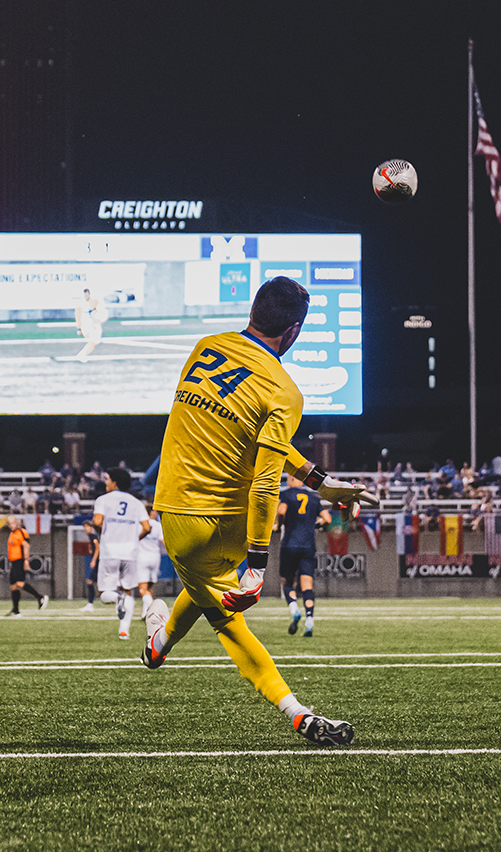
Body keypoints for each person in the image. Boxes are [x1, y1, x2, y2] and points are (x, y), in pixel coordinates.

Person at [142, 276, 377, 747]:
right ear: (293, 332)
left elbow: (252, 437)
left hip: (179, 517)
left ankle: (159, 647)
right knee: (221, 606)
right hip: (228, 525)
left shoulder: (206, 346)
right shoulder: (285, 391)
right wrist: (257, 561)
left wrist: (320, 482)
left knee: (213, 598)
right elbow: (267, 473)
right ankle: (295, 711)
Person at [91, 468, 152, 639]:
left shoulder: (102, 500)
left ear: (115, 482)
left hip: (110, 551)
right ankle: (124, 631)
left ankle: (117, 599)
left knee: (105, 594)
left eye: (108, 479)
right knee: (128, 591)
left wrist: (99, 530)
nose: (105, 482)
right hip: (130, 553)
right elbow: (147, 528)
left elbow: (98, 522)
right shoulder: (136, 503)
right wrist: (134, 539)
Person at [277, 473, 330, 638]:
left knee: (287, 582)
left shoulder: (286, 494)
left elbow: (281, 510)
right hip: (308, 546)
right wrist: (315, 524)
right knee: (307, 586)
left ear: (292, 480)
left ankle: (294, 610)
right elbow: (327, 519)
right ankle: (309, 620)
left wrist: (278, 524)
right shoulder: (313, 498)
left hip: (290, 544)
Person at [4, 516, 48, 616]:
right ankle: (15, 610)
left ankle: (40, 597)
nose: (11, 525)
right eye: (9, 523)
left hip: (19, 560)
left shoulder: (21, 532)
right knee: (14, 586)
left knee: (20, 583)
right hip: (13, 562)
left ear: (17, 523)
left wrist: (26, 561)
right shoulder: (12, 533)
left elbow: (26, 546)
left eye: (12, 523)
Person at [135, 500, 165, 615]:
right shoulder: (158, 525)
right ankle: (147, 613)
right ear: (150, 513)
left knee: (143, 589)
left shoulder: (139, 525)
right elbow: (163, 541)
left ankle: (149, 608)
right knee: (150, 587)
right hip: (155, 557)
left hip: (142, 557)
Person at [72, 287, 108, 362]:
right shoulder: (81, 305)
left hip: (92, 323)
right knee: (93, 340)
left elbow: (97, 313)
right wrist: (79, 326)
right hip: (86, 322)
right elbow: (78, 314)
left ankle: (82, 354)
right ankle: (82, 354)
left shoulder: (94, 302)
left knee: (94, 340)